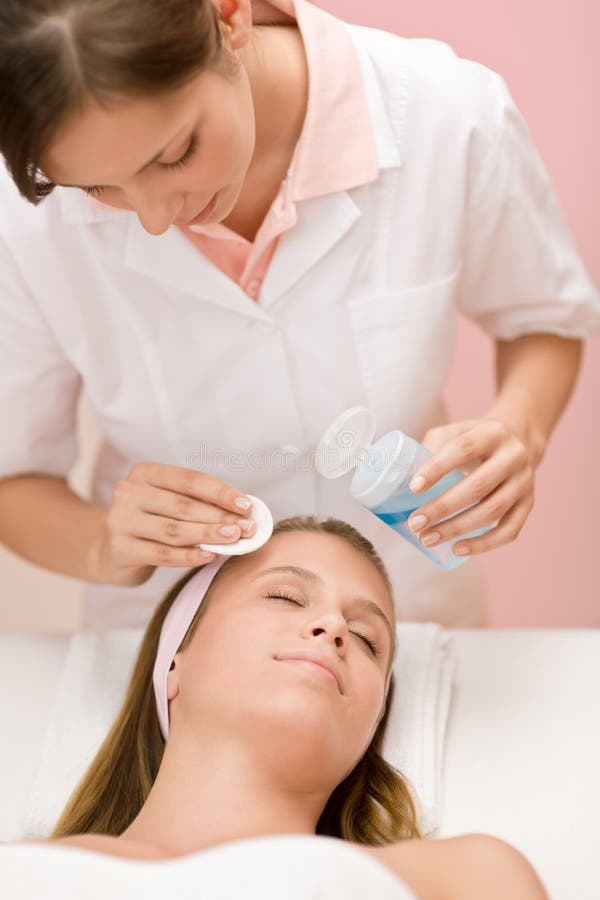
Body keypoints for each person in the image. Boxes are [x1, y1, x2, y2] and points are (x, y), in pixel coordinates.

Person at [0, 0, 598, 630]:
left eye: (174, 154)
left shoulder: (446, 115)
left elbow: (542, 318)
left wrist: (517, 431)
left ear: (230, 17)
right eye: (98, 189)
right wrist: (102, 543)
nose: (153, 217)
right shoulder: (21, 218)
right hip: (167, 631)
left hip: (402, 609)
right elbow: (13, 480)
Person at [20, 516, 549, 899]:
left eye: (368, 640)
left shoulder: (465, 879)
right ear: (174, 663)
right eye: (285, 597)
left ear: (372, 726)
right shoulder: (26, 874)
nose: (335, 628)